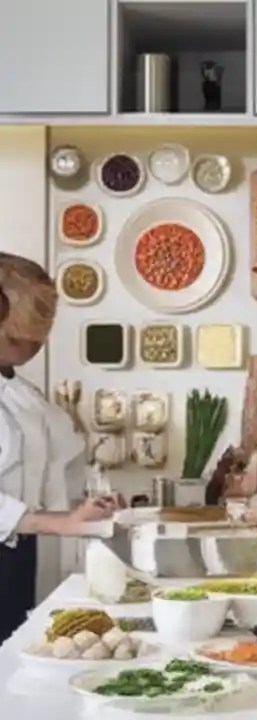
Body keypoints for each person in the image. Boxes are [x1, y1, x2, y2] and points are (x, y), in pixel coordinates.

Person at [0, 252, 117, 643]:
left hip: (18, 554)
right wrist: (57, 522)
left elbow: (44, 464)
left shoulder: (22, 390)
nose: (37, 344)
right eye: (26, 334)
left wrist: (78, 510)